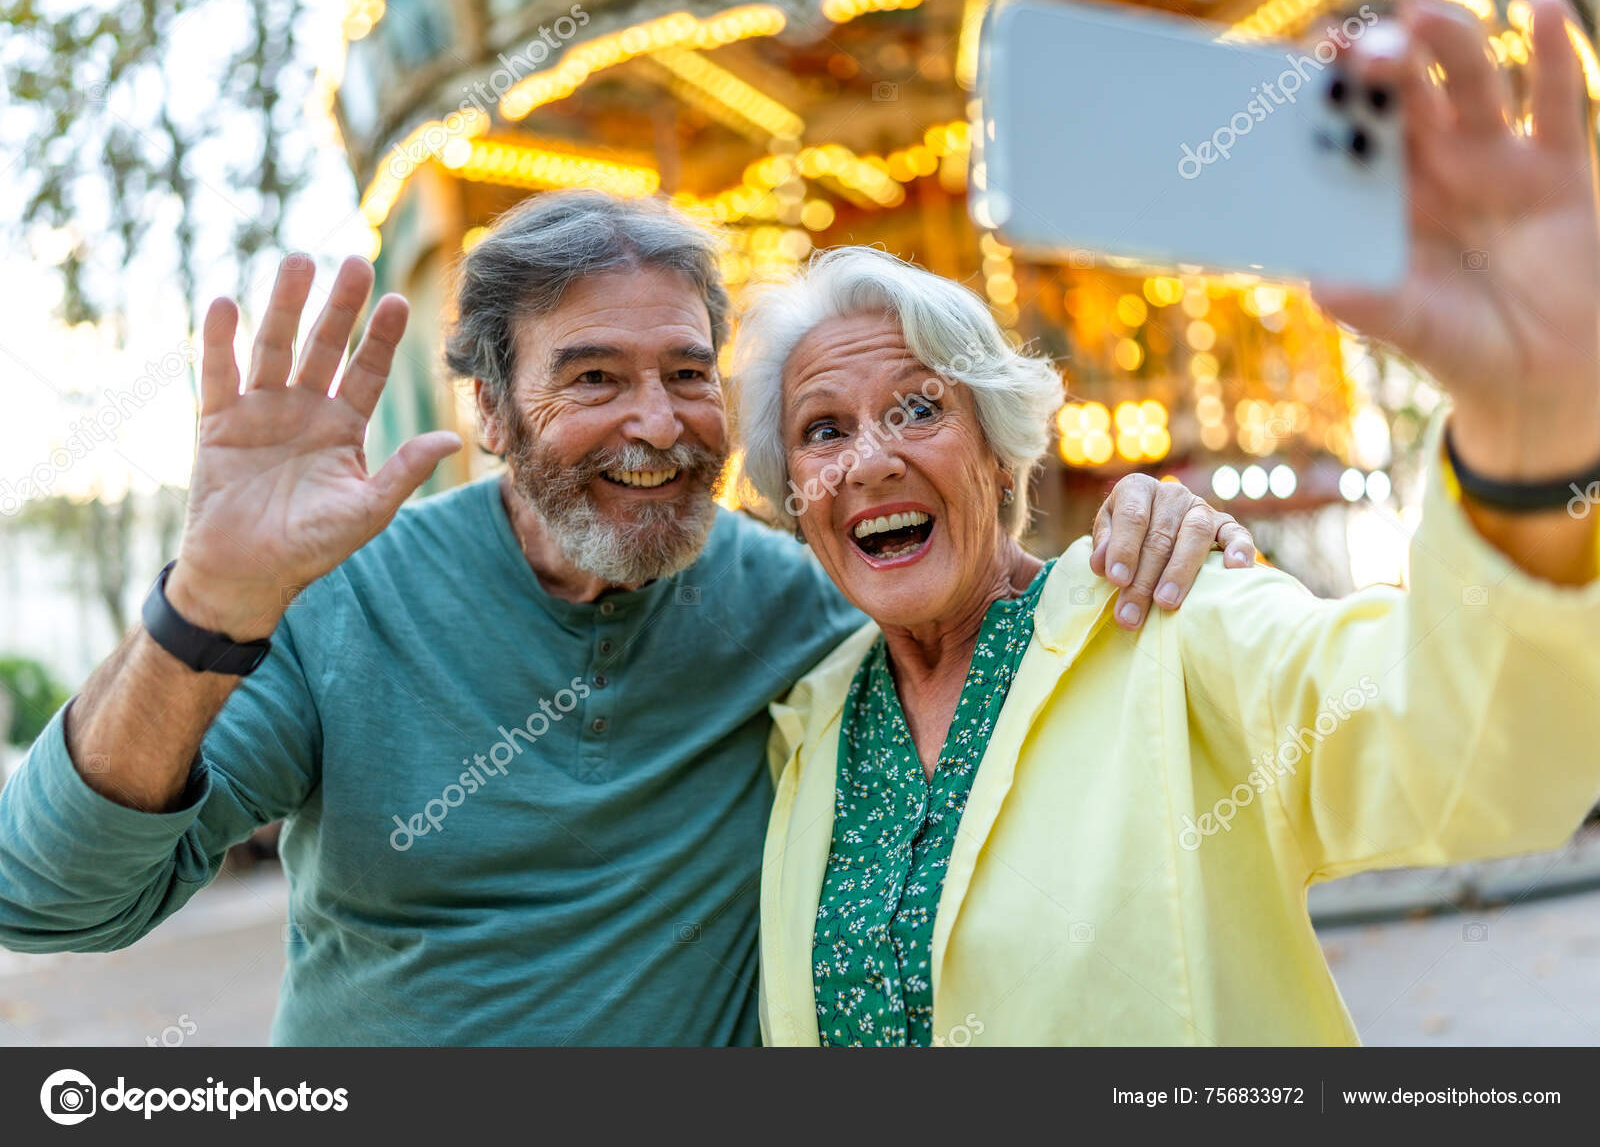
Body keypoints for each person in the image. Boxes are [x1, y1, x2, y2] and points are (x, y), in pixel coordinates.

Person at [0, 190, 1249, 1045]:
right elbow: (48, 899)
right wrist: (205, 604)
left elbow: (1000, 601)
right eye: (593, 377)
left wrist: (1167, 527)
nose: (657, 425)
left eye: (687, 375)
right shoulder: (342, 602)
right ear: (491, 411)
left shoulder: (811, 611)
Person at [745, 0, 1600, 1046]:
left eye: (919, 408)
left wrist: (1538, 443)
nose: (871, 458)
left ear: (1005, 447)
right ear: (792, 492)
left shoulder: (1165, 613)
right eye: (823, 431)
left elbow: (1461, 755)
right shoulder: (804, 726)